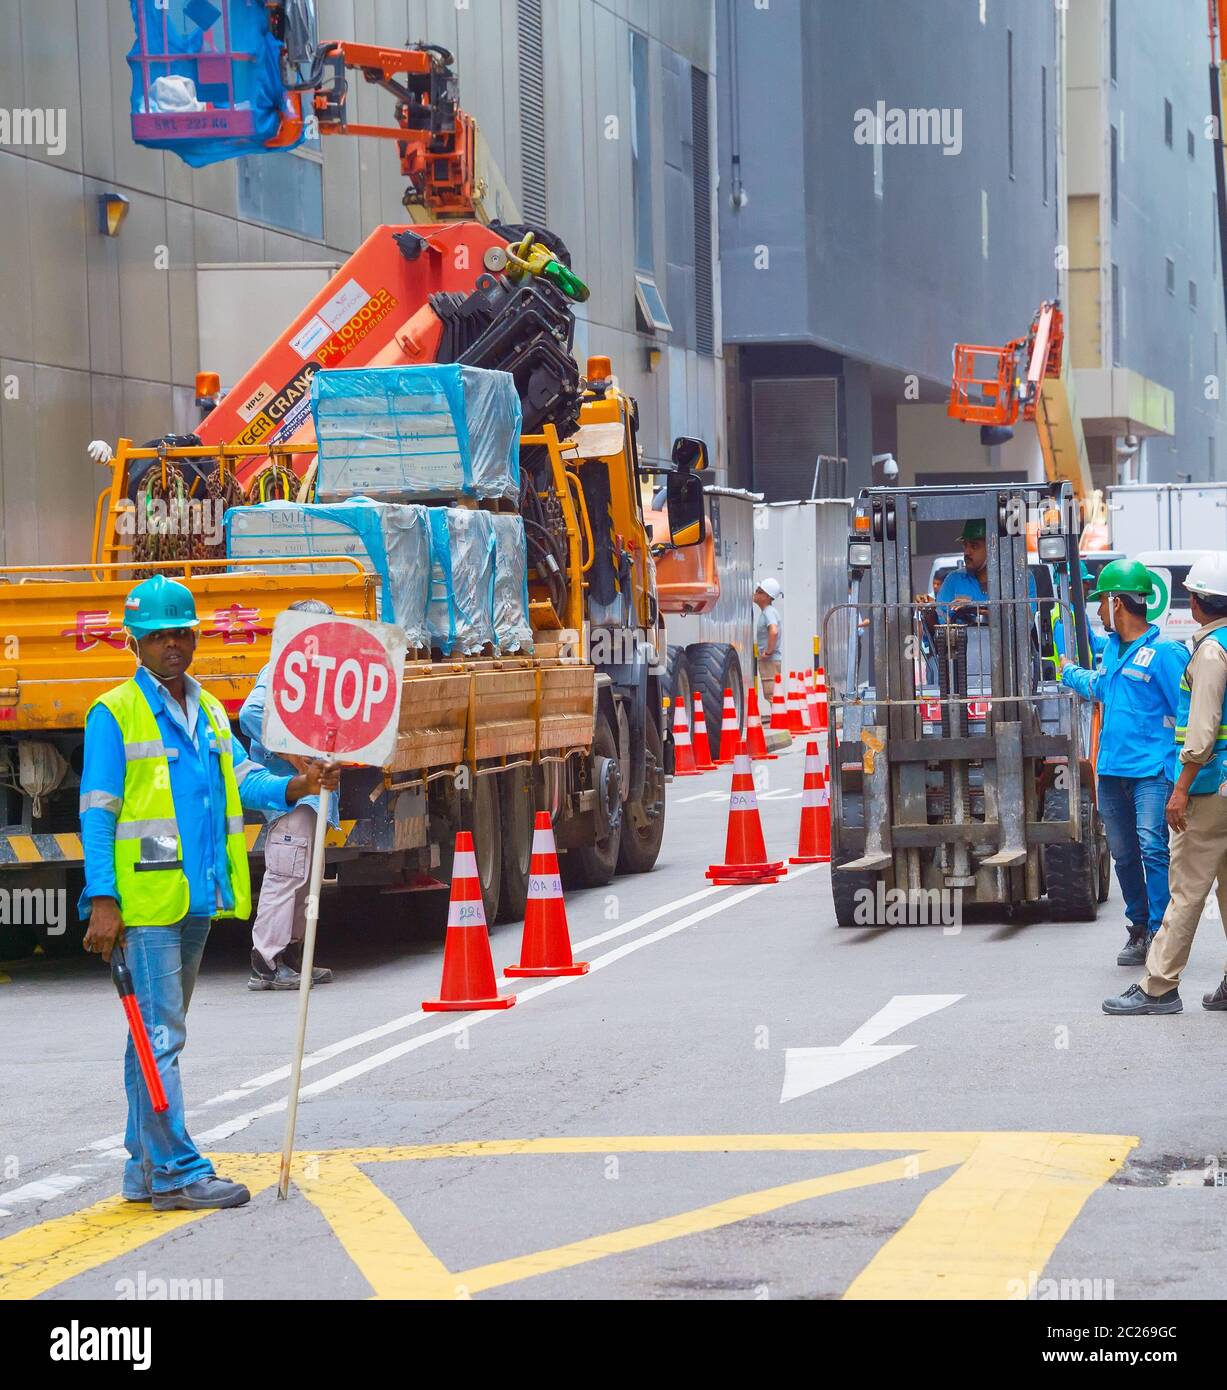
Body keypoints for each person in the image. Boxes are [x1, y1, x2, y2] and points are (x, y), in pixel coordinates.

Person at [80, 575, 339, 1210]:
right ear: (135, 644)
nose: (173, 644)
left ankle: (144, 1167)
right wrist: (103, 898)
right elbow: (97, 812)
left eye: (182, 634)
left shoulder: (207, 710)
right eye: (159, 636)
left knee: (153, 1034)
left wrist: (296, 787)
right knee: (161, 1035)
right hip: (143, 905)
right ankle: (175, 1172)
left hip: (196, 896)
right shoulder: (114, 713)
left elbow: (241, 781)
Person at [1104, 552, 1227, 1016]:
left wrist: (1181, 788)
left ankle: (1159, 987)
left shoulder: (1210, 653)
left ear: (1196, 602)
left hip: (1212, 787)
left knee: (1186, 891)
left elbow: (1200, 734)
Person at [1060, 560, 1186, 966]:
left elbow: (1186, 713)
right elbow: (1101, 686)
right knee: (1124, 853)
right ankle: (1138, 929)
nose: (1098, 612)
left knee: (1152, 848)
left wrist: (1182, 775)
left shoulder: (1165, 654)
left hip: (1150, 772)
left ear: (1117, 602)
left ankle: (1161, 931)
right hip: (1111, 772)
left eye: (1101, 603)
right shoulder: (1113, 649)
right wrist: (1070, 673)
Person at [240, 599, 339, 991]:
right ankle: (266, 960)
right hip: (289, 794)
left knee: (304, 877)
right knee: (286, 873)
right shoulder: (283, 669)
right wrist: (298, 763)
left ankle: (293, 956)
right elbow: (252, 714)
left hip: (311, 798)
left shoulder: (319, 672)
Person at [936, 519, 1037, 623]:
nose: (966, 552)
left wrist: (980, 608)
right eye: (965, 545)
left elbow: (1027, 622)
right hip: (967, 640)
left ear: (993, 547)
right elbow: (939, 624)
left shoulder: (1020, 578)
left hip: (1006, 640)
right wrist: (929, 613)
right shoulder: (954, 580)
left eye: (974, 546)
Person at [754, 579, 783, 699]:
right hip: (771, 659)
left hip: (770, 660)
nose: (755, 593)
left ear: (766, 596)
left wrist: (768, 652)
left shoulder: (768, 612)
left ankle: (778, 717)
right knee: (772, 694)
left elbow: (773, 631)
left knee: (772, 695)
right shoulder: (769, 612)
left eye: (758, 591)